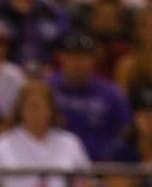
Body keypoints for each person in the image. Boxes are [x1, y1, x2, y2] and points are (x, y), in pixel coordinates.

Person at [51, 32, 131, 163]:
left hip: (100, 166)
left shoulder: (110, 94)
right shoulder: (48, 89)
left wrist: (109, 155)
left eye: (83, 58)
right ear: (61, 58)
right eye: (72, 57)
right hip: (55, 164)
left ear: (94, 60)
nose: (78, 63)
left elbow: (125, 132)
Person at [0, 0, 69, 75]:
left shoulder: (50, 11)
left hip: (46, 75)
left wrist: (52, 69)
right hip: (5, 74)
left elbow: (62, 45)